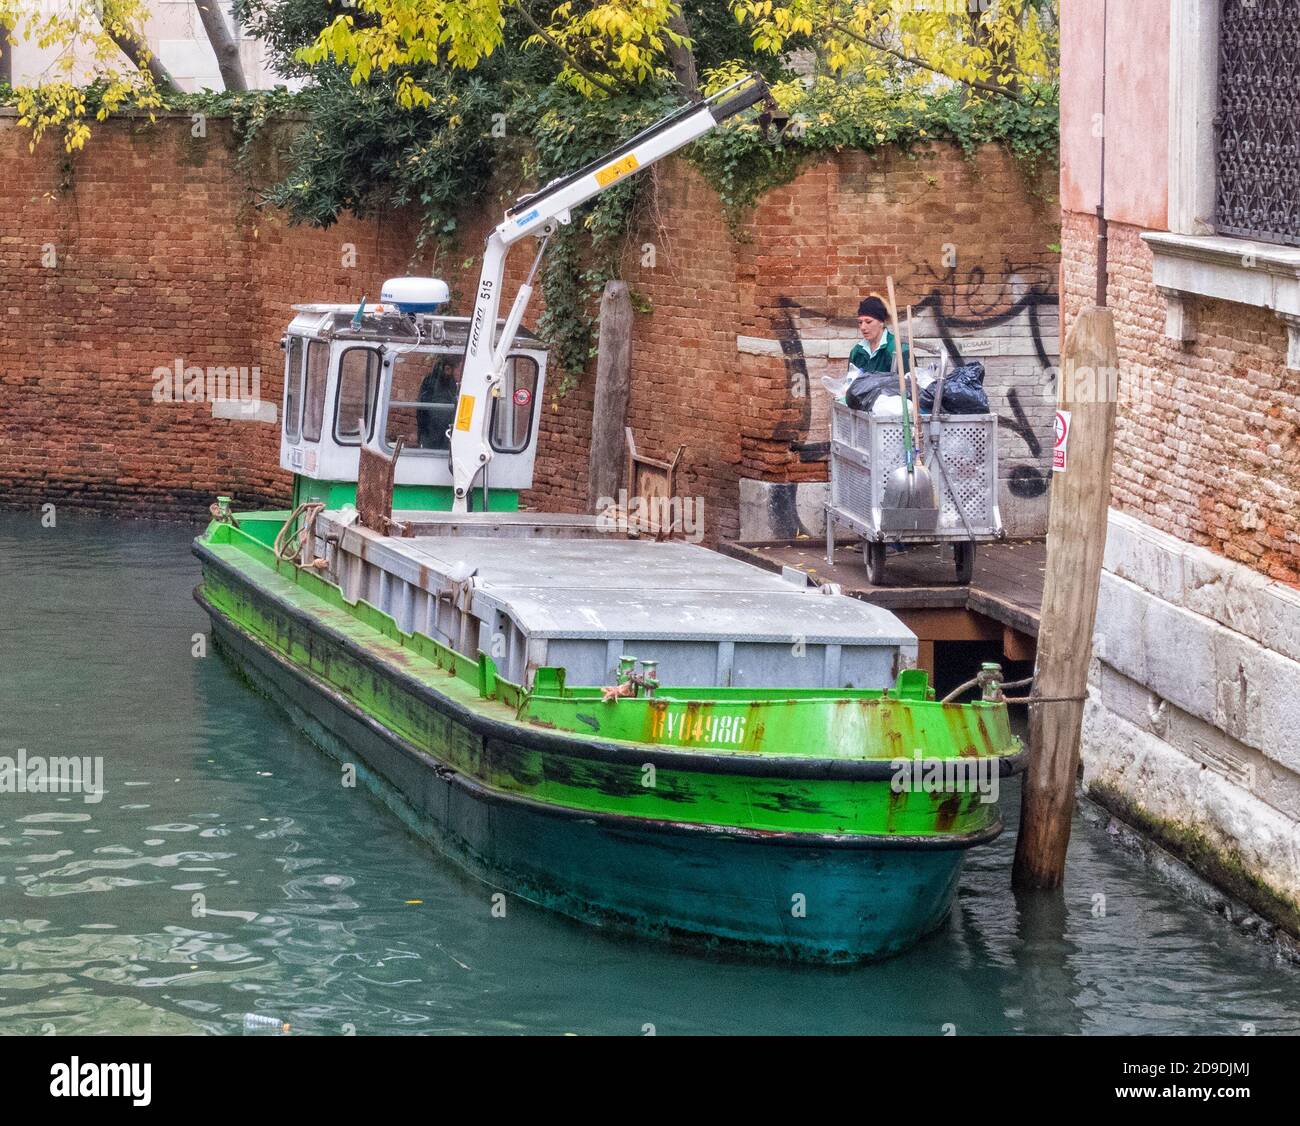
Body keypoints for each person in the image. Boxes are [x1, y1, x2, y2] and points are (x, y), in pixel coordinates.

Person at [847, 295, 908, 378]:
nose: (863, 327)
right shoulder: (857, 352)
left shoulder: (899, 348)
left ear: (881, 322)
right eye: (860, 322)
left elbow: (911, 386)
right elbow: (850, 384)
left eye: (868, 322)